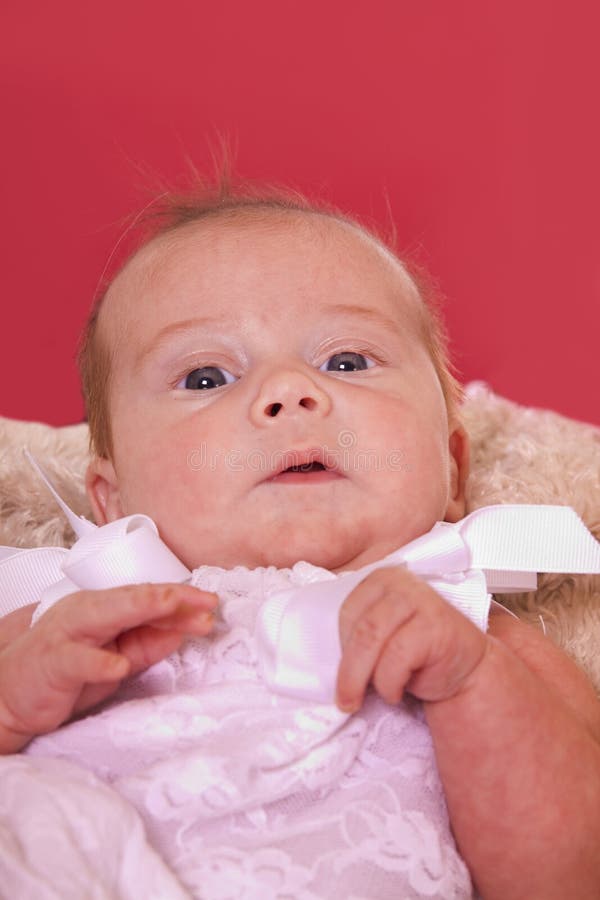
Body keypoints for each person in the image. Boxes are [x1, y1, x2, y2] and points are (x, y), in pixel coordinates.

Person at [0, 179, 599, 900]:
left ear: (452, 468)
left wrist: (471, 685)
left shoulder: (468, 628)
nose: (288, 393)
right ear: (112, 499)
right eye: (205, 375)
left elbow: (572, 873)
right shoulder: (75, 617)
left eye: (346, 362)